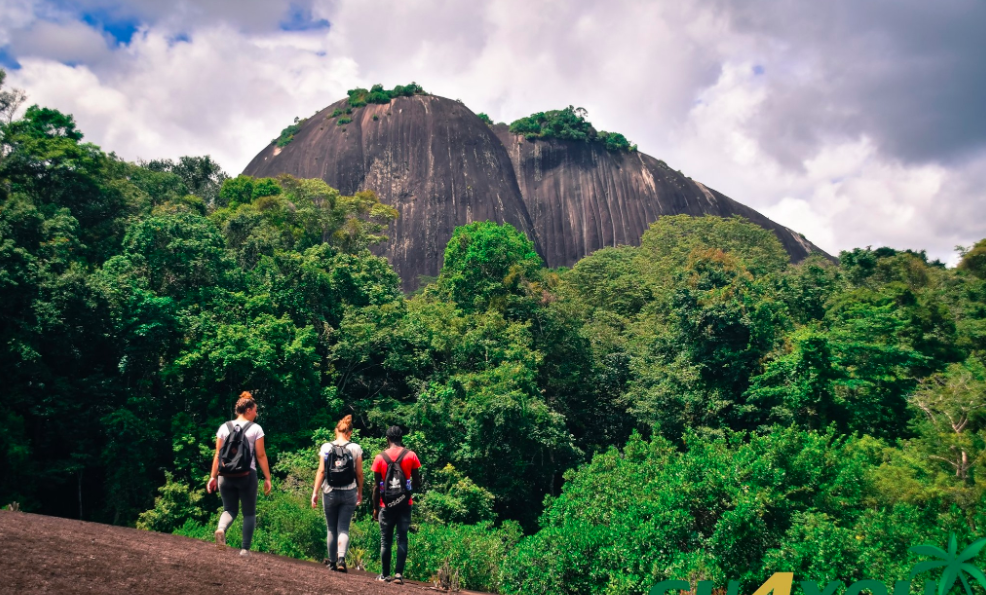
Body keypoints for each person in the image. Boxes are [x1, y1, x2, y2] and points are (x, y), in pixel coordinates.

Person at [207, 392, 272, 556]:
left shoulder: (224, 427)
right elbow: (261, 455)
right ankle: (244, 549)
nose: (256, 414)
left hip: (225, 475)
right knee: (249, 512)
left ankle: (221, 529)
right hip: (247, 475)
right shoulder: (256, 429)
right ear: (248, 410)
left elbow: (217, 454)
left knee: (229, 509)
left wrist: (213, 477)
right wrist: (268, 477)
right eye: (255, 410)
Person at [310, 414, 364, 572]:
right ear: (350, 432)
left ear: (336, 430)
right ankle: (341, 560)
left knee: (331, 528)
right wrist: (359, 492)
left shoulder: (326, 447)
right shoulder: (355, 448)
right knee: (343, 528)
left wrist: (314, 492)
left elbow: (321, 471)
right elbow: (359, 473)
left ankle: (332, 562)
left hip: (329, 491)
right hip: (349, 492)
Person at [371, 426, 421, 584]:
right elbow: (417, 481)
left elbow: (376, 486)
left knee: (386, 540)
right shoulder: (411, 455)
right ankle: (398, 574)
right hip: (405, 504)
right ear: (401, 438)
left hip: (385, 505)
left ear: (387, 438)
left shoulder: (380, 458)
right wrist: (407, 493)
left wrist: (375, 508)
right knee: (402, 539)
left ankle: (385, 575)